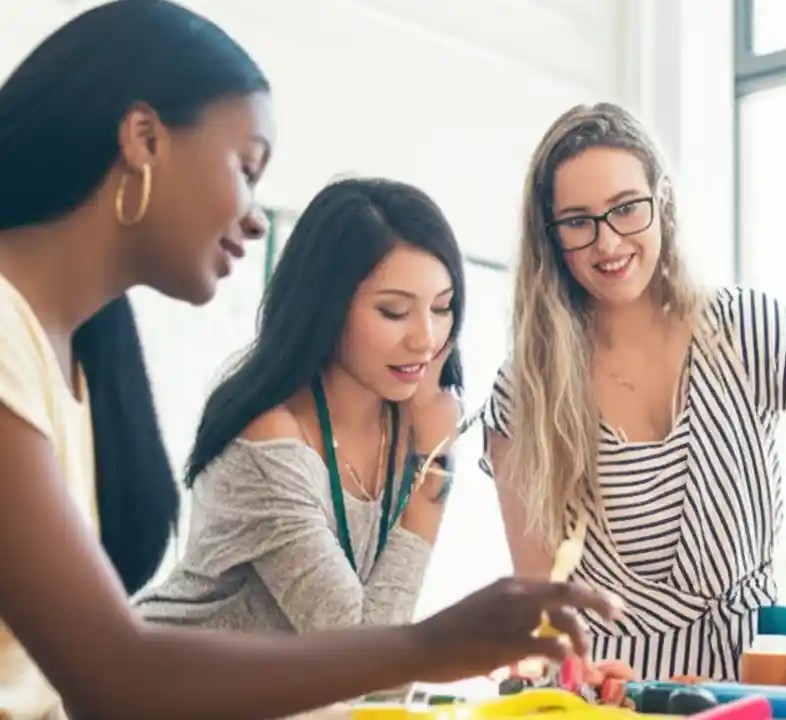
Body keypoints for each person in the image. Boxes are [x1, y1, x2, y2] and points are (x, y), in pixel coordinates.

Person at [0, 3, 618, 718]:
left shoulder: (76, 355)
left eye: (442, 308)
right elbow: (112, 672)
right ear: (143, 138)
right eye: (246, 167)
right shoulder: (13, 336)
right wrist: (434, 638)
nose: (257, 216)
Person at [480, 102, 786, 682]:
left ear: (662, 203)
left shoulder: (746, 329)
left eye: (625, 209)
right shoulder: (524, 391)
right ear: (551, 237)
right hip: (615, 699)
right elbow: (543, 607)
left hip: (756, 688)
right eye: (579, 222)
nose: (607, 244)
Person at [136, 177, 464, 631]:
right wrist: (433, 473)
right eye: (393, 311)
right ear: (326, 305)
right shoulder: (271, 443)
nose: (425, 338)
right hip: (166, 692)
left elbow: (380, 674)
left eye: (442, 307)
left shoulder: (408, 422)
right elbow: (362, 660)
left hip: (278, 699)